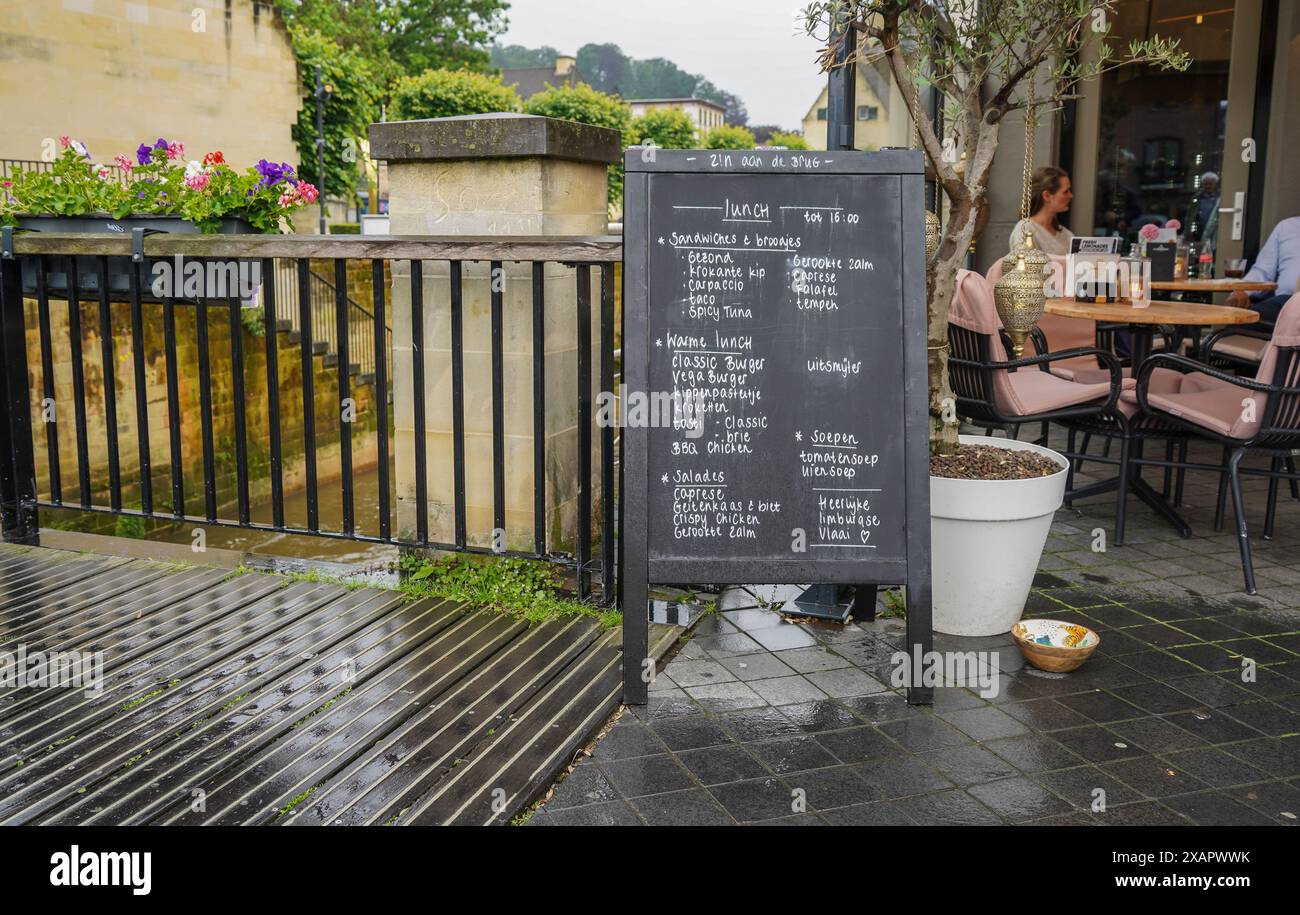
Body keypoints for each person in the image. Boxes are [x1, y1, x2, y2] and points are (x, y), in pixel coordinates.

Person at [1225, 216, 1300, 325]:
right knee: (1241, 319)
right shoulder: (1286, 227)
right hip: (1285, 305)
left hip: (1291, 304)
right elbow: (1262, 271)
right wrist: (1242, 291)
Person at [1009, 166, 1075, 256]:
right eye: (1065, 191)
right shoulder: (1025, 229)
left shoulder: (1067, 235)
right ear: (1047, 196)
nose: (1071, 196)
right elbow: (1026, 264)